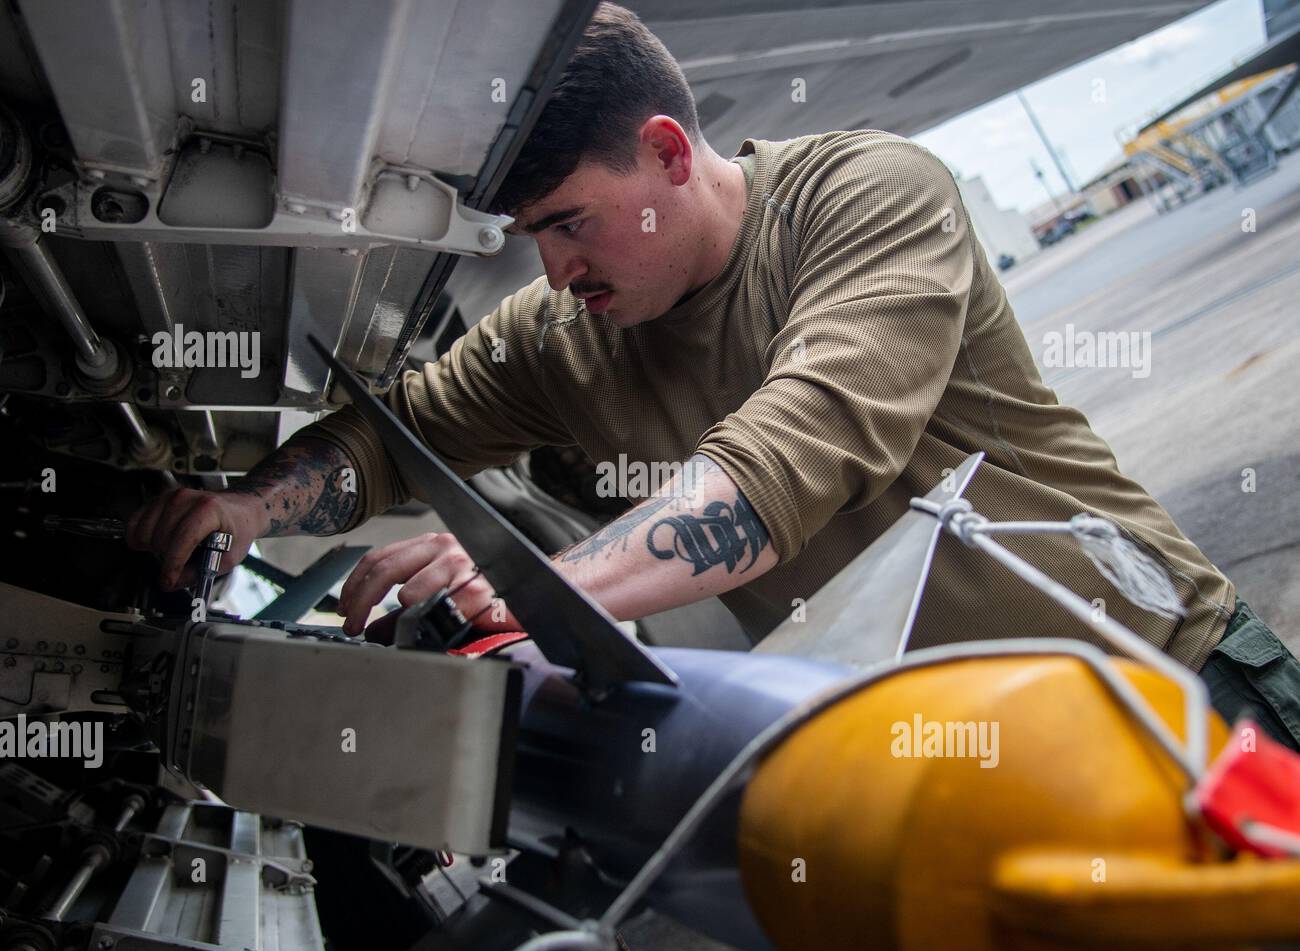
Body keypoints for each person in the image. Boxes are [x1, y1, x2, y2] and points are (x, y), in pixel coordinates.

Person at [126, 3, 1300, 749]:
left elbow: (787, 461)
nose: (555, 264)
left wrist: (544, 582)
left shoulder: (865, 195)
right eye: (532, 235)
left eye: (572, 221)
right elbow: (392, 433)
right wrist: (247, 505)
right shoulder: (557, 329)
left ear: (670, 154)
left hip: (1164, 686)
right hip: (959, 761)